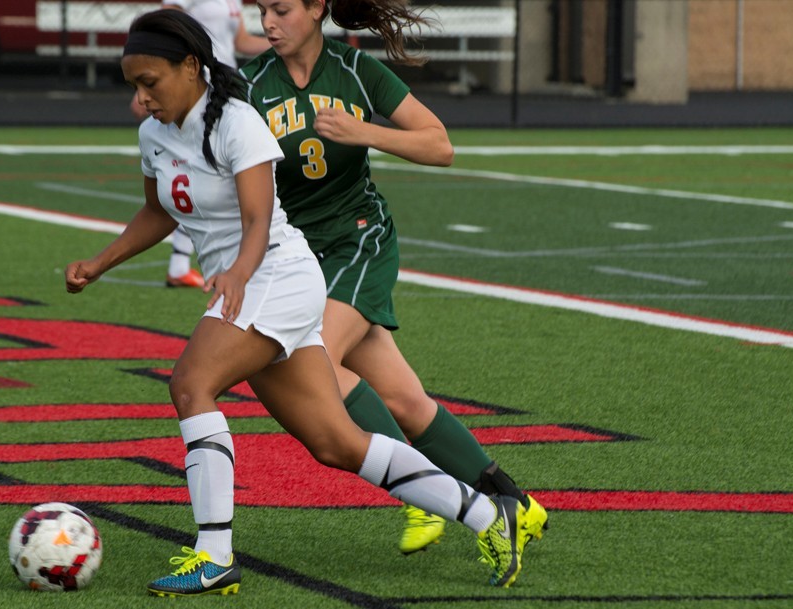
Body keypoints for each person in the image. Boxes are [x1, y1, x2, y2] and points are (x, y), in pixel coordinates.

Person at [66, 9, 532, 595]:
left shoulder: (236, 120)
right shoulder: (155, 134)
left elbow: (261, 217)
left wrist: (236, 272)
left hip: (276, 276)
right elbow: (159, 211)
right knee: (336, 442)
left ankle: (214, 555)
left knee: (191, 384)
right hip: (255, 283)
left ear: (191, 66)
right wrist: (100, 263)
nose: (141, 98)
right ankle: (488, 516)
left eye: (150, 83)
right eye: (133, 85)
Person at [241, 0, 548, 554]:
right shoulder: (251, 83)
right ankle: (517, 504)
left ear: (316, 9)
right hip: (297, 259)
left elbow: (440, 145)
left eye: (281, 9)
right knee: (406, 401)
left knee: (318, 367)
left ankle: (419, 493)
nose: (267, 22)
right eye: (261, 9)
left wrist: (367, 133)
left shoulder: (357, 72)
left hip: (358, 240)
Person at [133, 0, 272, 288]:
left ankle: (186, 264)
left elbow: (241, 42)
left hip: (226, 92)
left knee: (238, 195)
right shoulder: (155, 125)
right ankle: (181, 264)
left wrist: (284, 44)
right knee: (194, 184)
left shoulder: (240, 121)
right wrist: (151, 83)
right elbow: (168, 29)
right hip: (195, 90)